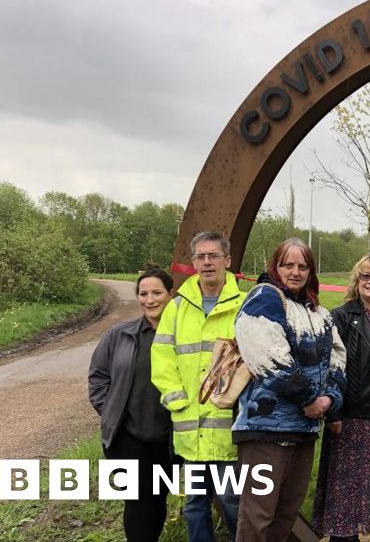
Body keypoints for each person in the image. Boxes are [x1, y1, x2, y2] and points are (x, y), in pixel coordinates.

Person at [232, 237, 346, 541]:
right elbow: (270, 360)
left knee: (285, 514)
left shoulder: (318, 313)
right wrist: (309, 398)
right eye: (287, 265)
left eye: (302, 266)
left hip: (303, 430)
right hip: (265, 429)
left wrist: (329, 400)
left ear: (310, 271)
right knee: (257, 517)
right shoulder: (264, 299)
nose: (295, 272)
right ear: (275, 266)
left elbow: (337, 359)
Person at [151, 231, 243, 542]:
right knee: (194, 504)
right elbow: (161, 357)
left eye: (213, 255)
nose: (207, 262)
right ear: (193, 262)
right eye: (201, 256)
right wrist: (177, 400)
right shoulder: (177, 308)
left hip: (228, 428)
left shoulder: (243, 306)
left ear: (227, 261)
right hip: (190, 427)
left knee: (233, 500)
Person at [312, 253, 370, 541]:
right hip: (353, 416)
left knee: (362, 492)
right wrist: (334, 414)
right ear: (356, 281)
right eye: (365, 276)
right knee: (346, 494)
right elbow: (330, 367)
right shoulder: (342, 316)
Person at [89, 266, 175, 542]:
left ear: (170, 294)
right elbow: (98, 377)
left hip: (168, 437)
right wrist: (112, 412)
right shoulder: (120, 335)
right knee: (137, 500)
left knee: (158, 498)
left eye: (157, 293)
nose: (150, 300)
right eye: (143, 293)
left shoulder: (184, 337)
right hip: (127, 436)